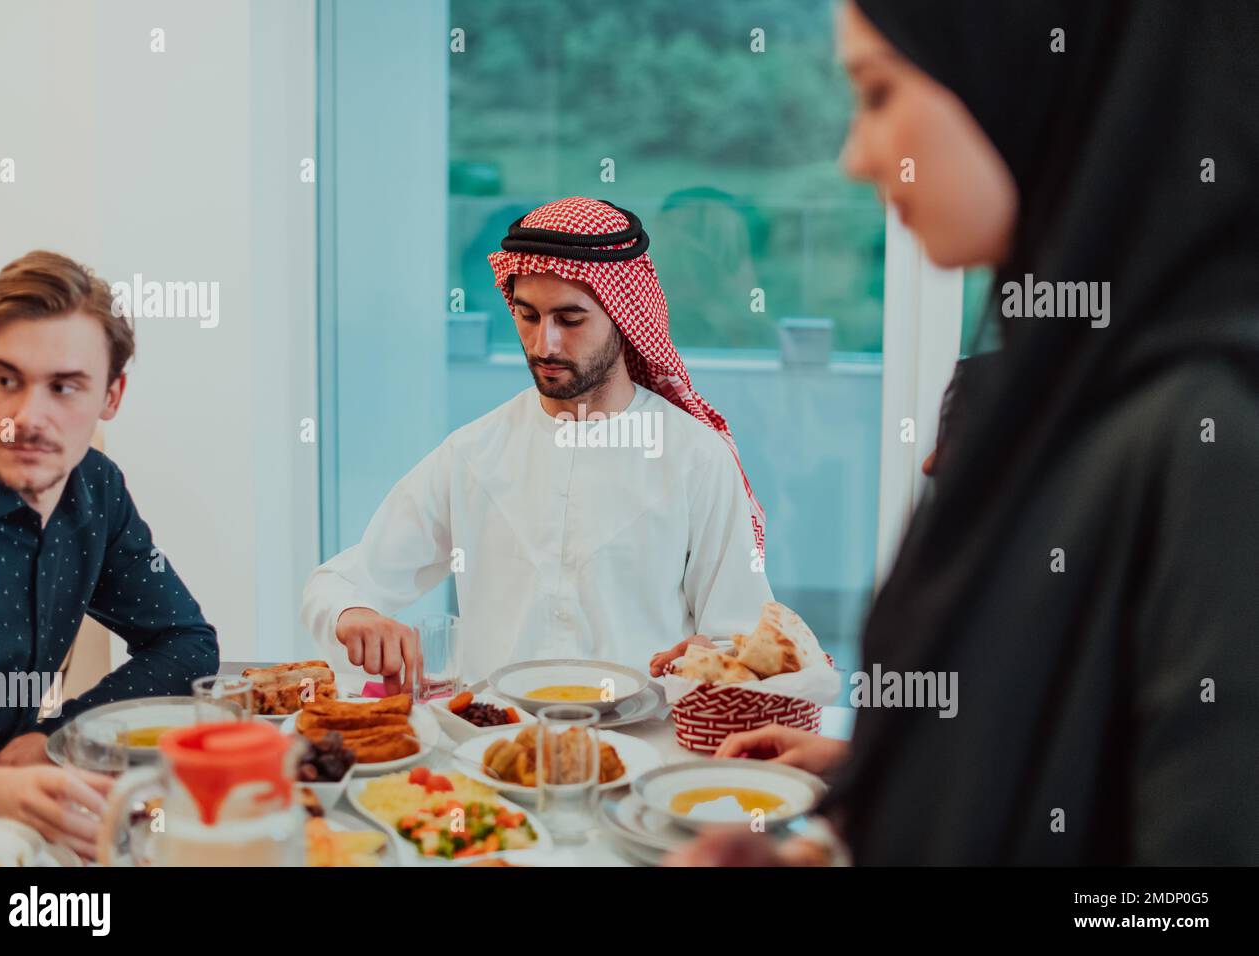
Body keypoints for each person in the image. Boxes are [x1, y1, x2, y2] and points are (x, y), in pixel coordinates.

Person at [672, 0, 1259, 866]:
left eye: (878, 92)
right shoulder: (1053, 394)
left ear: (1025, 70)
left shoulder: (1215, 436)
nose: (855, 155)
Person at [302, 197, 772, 688]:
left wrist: (713, 654)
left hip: (641, 750)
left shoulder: (695, 458)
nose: (543, 344)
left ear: (624, 319)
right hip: (494, 749)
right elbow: (337, 584)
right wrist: (354, 614)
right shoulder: (474, 453)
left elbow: (741, 639)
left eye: (570, 320)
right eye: (528, 316)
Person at [0, 251, 219, 850]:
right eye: (6, 380)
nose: (28, 418)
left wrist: (62, 734)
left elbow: (186, 643)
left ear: (111, 395)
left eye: (65, 387)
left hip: (29, 827)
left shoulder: (95, 489)